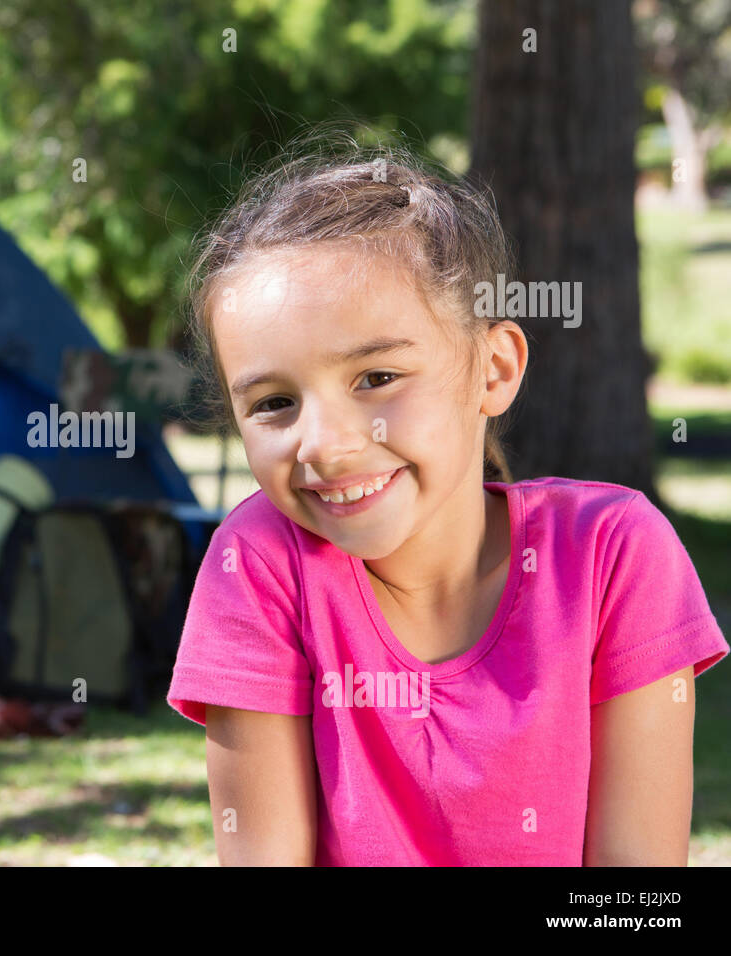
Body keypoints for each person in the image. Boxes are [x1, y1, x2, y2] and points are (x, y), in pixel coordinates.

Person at [165, 133, 729, 866]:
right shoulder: (260, 563)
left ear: (493, 369)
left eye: (376, 379)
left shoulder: (613, 553)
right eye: (274, 402)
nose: (325, 445)